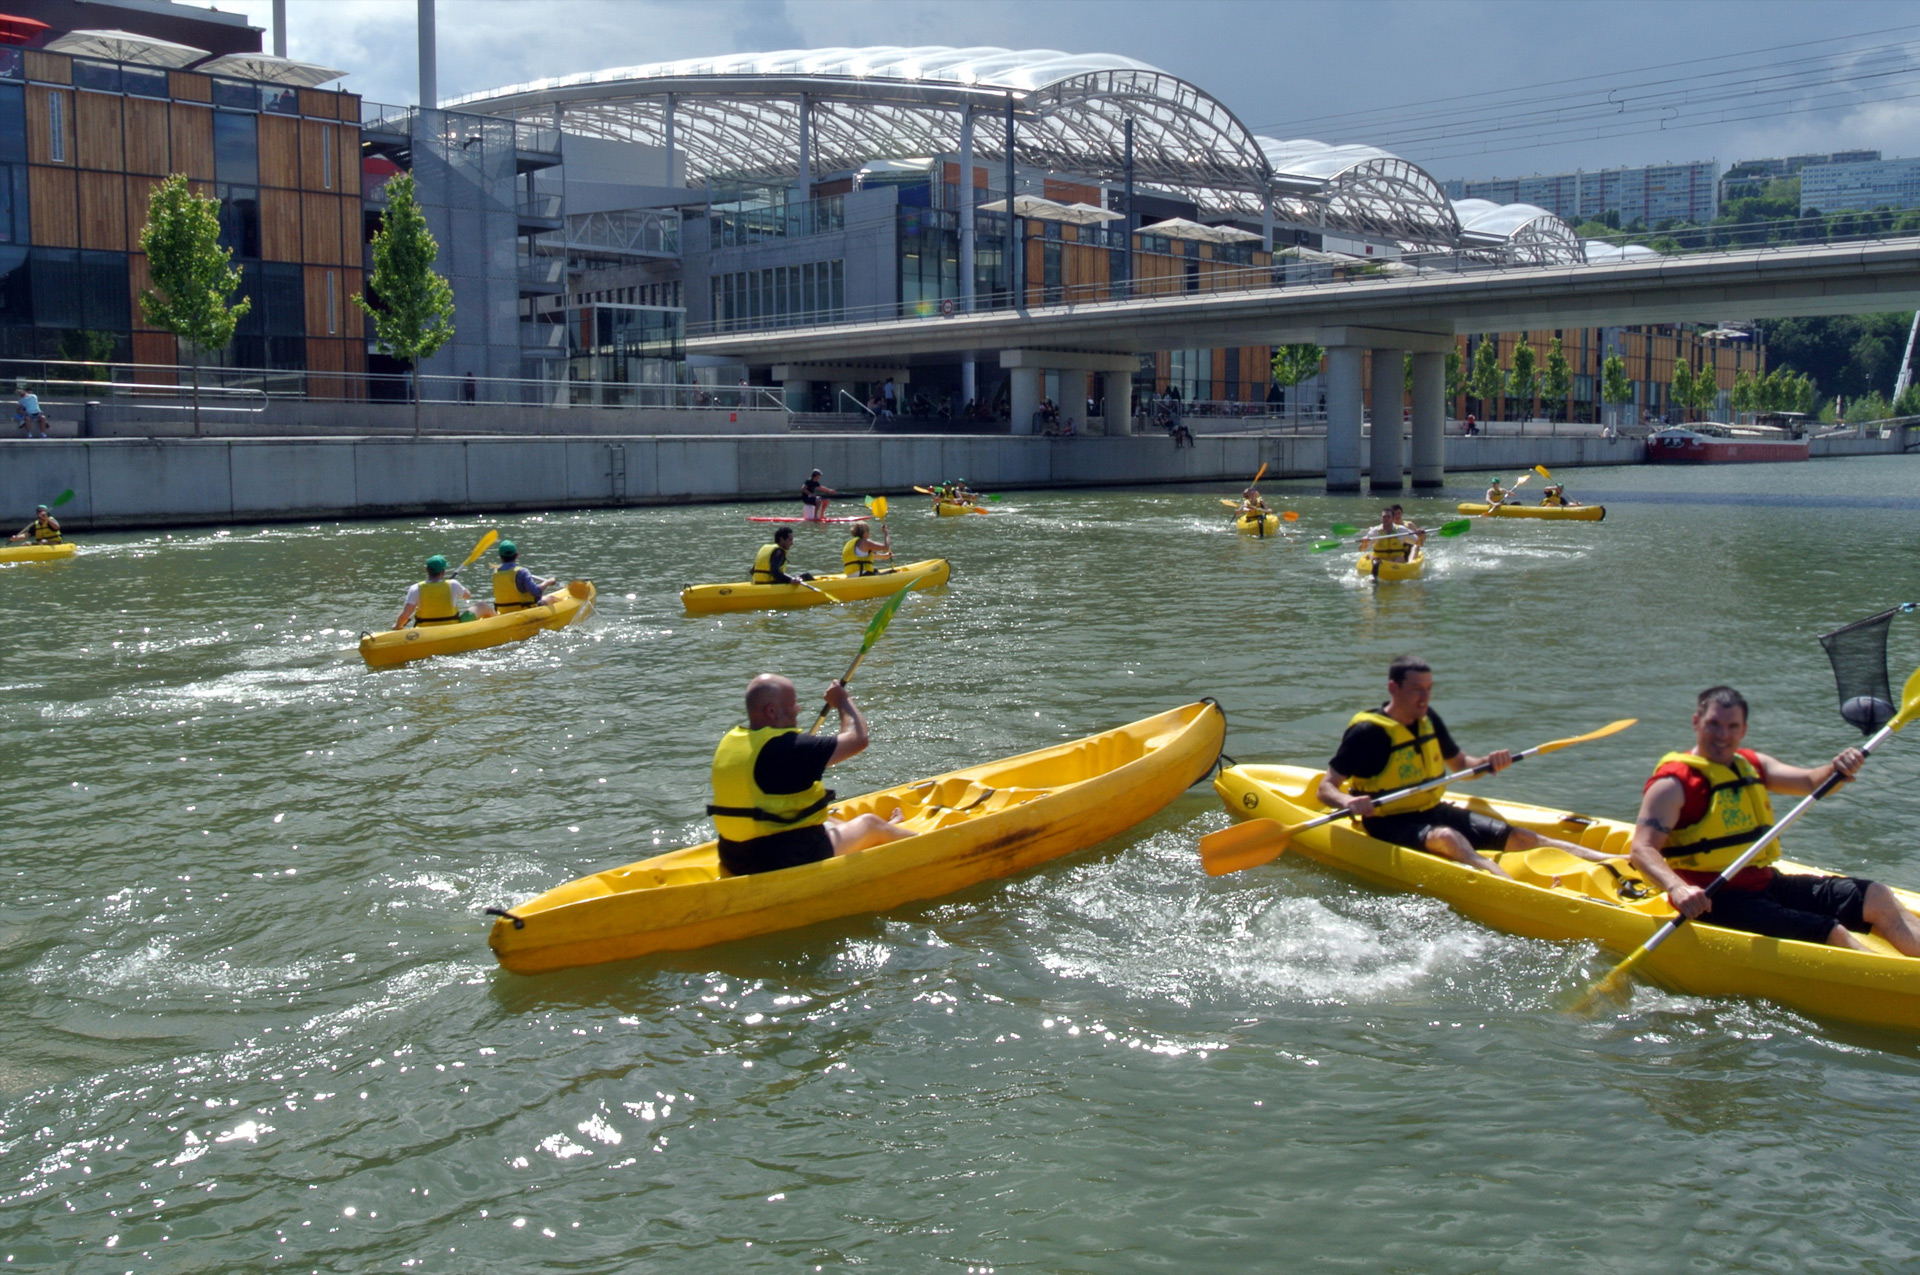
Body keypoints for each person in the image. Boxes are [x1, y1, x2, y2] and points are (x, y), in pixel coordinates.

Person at [1627, 686, 1920, 954]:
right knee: (1830, 931)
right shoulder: (1672, 784)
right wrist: (1677, 888)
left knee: (1877, 896)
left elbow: (1809, 782)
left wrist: (1837, 767)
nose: (1722, 735)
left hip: (1766, 884)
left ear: (1744, 730)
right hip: (1713, 900)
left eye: (1732, 727)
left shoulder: (1752, 765)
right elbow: (1642, 849)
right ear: (1696, 723)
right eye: (1713, 724)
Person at [1317, 656, 1606, 879]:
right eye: (1417, 689)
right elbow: (1326, 787)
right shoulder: (1368, 732)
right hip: (1387, 821)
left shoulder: (1427, 719)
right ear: (1394, 688)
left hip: (1433, 810)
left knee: (1523, 837)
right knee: (1447, 837)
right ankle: (1511, 887)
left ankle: (1612, 863)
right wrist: (1348, 801)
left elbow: (1463, 766)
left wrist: (1489, 763)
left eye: (1429, 689)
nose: (1424, 697)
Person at [708, 674, 917, 875]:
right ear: (771, 711)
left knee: (827, 818)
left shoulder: (731, 742)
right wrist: (843, 701)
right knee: (870, 824)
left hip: (733, 857)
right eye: (792, 704)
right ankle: (920, 839)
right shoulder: (791, 748)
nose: (798, 708)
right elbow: (857, 738)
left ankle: (887, 831)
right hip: (780, 860)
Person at [393, 554, 491, 629]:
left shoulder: (415, 588)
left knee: (402, 615)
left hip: (424, 630)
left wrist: (397, 627)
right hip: (452, 627)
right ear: (443, 572)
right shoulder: (452, 584)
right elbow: (467, 595)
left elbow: (405, 616)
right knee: (482, 605)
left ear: (426, 570)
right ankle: (498, 622)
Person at [491, 540, 560, 612]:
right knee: (551, 598)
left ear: (500, 557)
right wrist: (547, 582)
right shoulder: (522, 572)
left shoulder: (496, 573)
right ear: (517, 555)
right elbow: (536, 592)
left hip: (504, 612)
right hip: (525, 611)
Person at [1358, 505, 1425, 563]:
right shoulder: (1375, 531)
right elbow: (1361, 549)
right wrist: (1364, 543)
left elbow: (1419, 544)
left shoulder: (1401, 530)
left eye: (1388, 517)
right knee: (1372, 558)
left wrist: (1420, 536)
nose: (1386, 519)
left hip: (1396, 560)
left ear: (1393, 518)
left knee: (1400, 559)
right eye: (1384, 517)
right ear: (1381, 519)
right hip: (1379, 560)